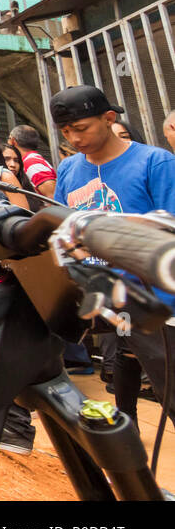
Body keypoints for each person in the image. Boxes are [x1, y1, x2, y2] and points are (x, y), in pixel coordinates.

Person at [50, 85, 175, 423]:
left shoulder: (155, 161)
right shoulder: (69, 169)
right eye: (65, 131)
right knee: (117, 371)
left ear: (109, 118)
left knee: (170, 390)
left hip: (151, 297)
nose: (74, 138)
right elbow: (63, 224)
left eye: (81, 128)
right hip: (98, 294)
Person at [7, 124, 56, 198]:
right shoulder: (30, 161)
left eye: (8, 138)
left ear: (13, 141)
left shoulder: (32, 163)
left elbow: (53, 197)